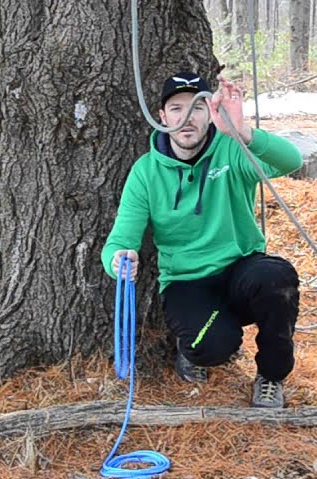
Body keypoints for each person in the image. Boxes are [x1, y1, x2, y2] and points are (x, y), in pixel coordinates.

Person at [101, 70, 303, 408]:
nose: (187, 118)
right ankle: (198, 345)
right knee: (212, 346)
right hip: (187, 281)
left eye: (197, 107)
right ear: (163, 117)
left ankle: (271, 375)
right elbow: (120, 240)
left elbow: (291, 161)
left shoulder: (231, 149)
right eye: (176, 108)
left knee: (277, 278)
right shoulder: (146, 171)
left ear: (211, 113)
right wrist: (119, 261)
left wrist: (243, 133)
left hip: (242, 270)